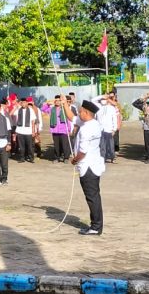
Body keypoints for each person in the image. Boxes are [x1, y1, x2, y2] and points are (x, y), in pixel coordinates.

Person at [71, 100, 105, 236]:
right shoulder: (95, 124)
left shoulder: (86, 128)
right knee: (94, 196)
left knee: (92, 197)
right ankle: (96, 224)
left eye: (80, 112)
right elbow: (72, 118)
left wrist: (74, 160)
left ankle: (96, 226)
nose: (78, 114)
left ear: (86, 112)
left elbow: (82, 151)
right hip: (94, 164)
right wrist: (64, 104)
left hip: (88, 166)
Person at [42, 95, 73, 163]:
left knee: (65, 145)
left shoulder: (64, 108)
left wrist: (69, 129)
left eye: (59, 100)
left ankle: (66, 158)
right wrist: (47, 104)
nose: (57, 102)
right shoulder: (52, 109)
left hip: (64, 130)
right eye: (56, 100)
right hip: (55, 130)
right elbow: (43, 109)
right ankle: (57, 157)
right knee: (56, 146)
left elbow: (68, 120)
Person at [95, 96, 118, 163]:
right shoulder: (98, 107)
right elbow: (92, 100)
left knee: (110, 145)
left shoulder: (111, 108)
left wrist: (114, 129)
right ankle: (102, 158)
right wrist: (101, 96)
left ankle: (112, 157)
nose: (103, 100)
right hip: (100, 129)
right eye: (102, 99)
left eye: (104, 99)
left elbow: (114, 119)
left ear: (107, 100)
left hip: (109, 129)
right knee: (102, 145)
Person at [13, 98, 36, 163]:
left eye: (24, 102)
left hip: (28, 131)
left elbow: (33, 121)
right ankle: (22, 158)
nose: (23, 104)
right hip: (20, 131)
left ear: (27, 103)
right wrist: (16, 107)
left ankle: (31, 158)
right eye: (22, 103)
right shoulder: (19, 110)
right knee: (21, 146)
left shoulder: (30, 110)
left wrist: (33, 131)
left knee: (30, 146)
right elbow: (11, 113)